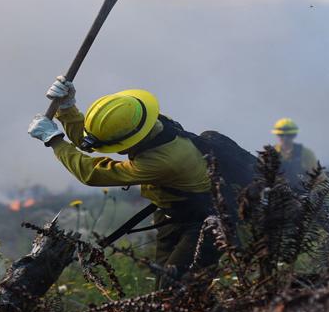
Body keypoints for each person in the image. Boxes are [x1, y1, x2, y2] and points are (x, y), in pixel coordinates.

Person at [27, 77, 216, 284]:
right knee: (168, 284)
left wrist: (54, 140)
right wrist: (66, 108)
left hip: (206, 220)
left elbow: (93, 173)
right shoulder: (146, 123)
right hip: (173, 213)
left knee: (176, 286)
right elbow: (93, 140)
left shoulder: (164, 161)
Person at [266, 118, 319, 186]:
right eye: (281, 134)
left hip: (299, 191)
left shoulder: (306, 153)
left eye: (288, 135)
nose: (285, 138)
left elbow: (317, 177)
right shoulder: (268, 153)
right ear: (277, 134)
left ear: (294, 135)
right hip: (273, 190)